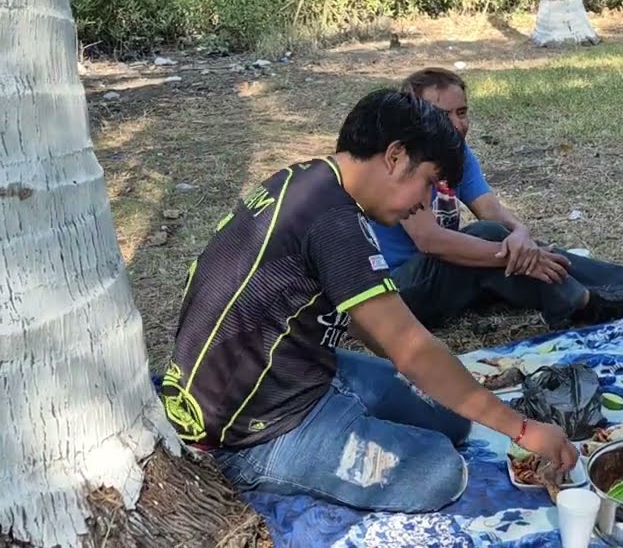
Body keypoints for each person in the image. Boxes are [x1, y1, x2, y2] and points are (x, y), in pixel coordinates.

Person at [158, 88, 579, 513]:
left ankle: (348, 414)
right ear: (395, 156)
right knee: (440, 471)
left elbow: (382, 330)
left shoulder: (310, 181)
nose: (423, 203)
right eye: (428, 183)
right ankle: (298, 450)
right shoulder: (333, 222)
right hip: (251, 431)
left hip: (300, 371)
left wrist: (416, 368)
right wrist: (522, 430)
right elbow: (411, 349)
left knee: (453, 417)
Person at [371, 66, 623, 331]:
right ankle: (587, 305)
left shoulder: (458, 154)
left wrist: (522, 236)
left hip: (443, 278)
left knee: (513, 241)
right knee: (492, 239)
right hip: (397, 295)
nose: (458, 124)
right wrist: (510, 251)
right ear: (414, 115)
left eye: (462, 112)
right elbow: (430, 240)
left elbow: (491, 209)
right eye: (444, 115)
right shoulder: (402, 159)